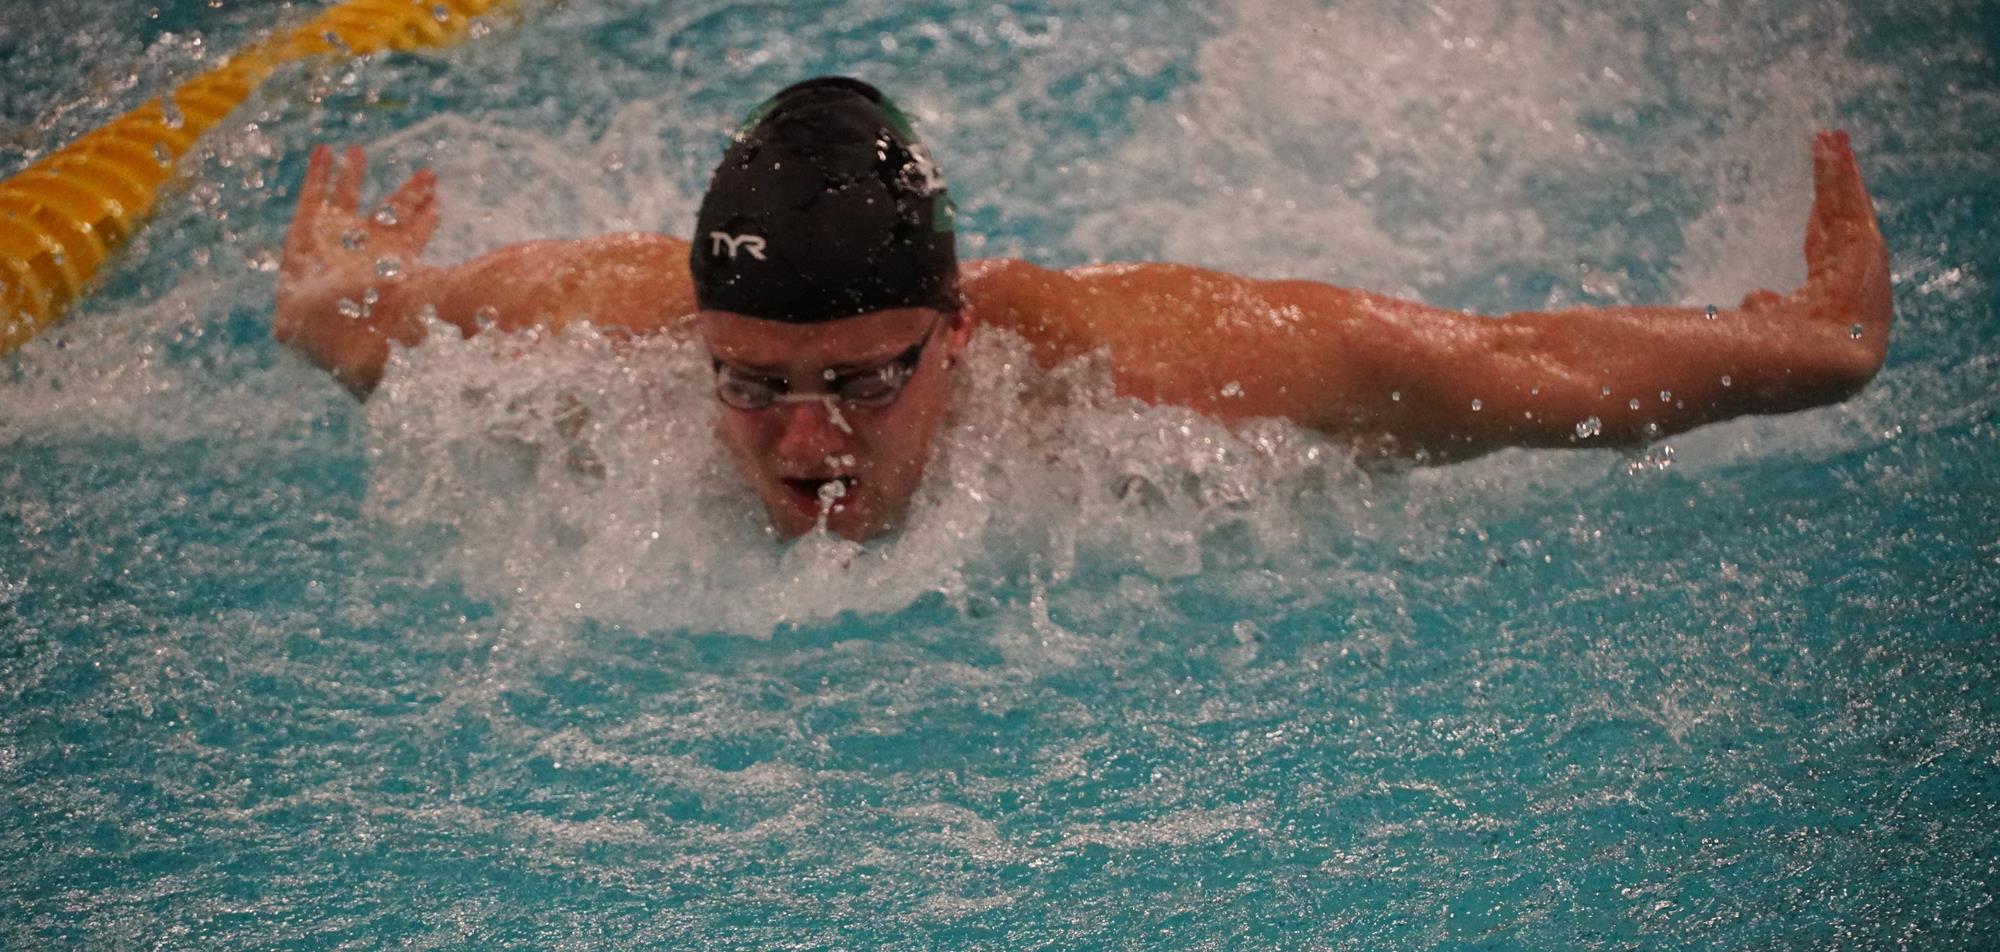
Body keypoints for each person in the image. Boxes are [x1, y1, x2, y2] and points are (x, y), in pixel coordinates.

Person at [274, 77, 1891, 543]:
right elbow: (351, 334)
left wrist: (1811, 345)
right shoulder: (599, 322)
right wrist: (325, 291)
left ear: (958, 332)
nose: (805, 442)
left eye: (863, 378)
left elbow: (1512, 369)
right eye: (749, 386)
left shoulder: (1142, 373)